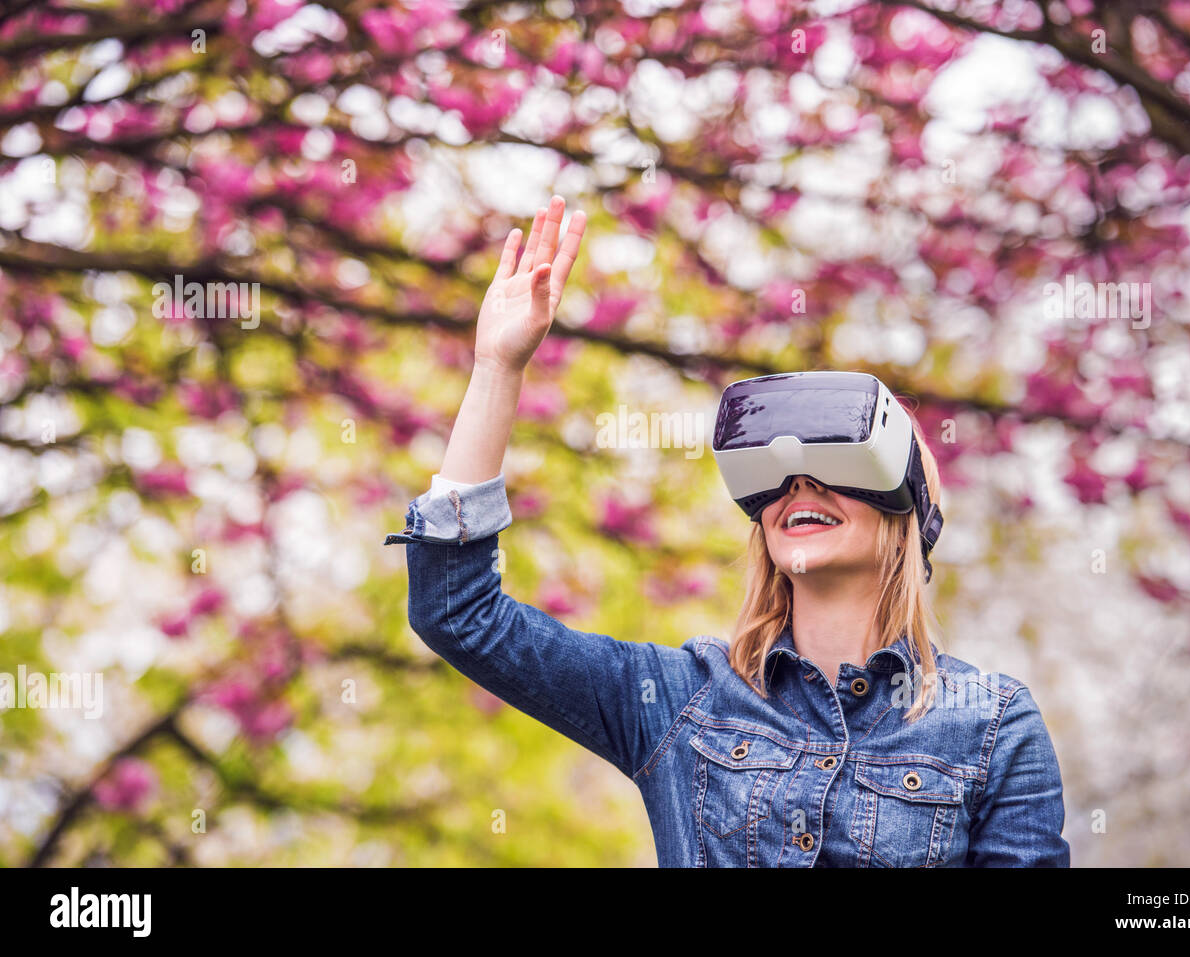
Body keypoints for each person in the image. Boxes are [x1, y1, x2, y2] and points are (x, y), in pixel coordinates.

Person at [385, 195, 1070, 867]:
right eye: (778, 472)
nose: (800, 484)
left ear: (906, 511)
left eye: (834, 460)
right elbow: (458, 611)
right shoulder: (680, 698)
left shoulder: (991, 725)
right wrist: (497, 370)